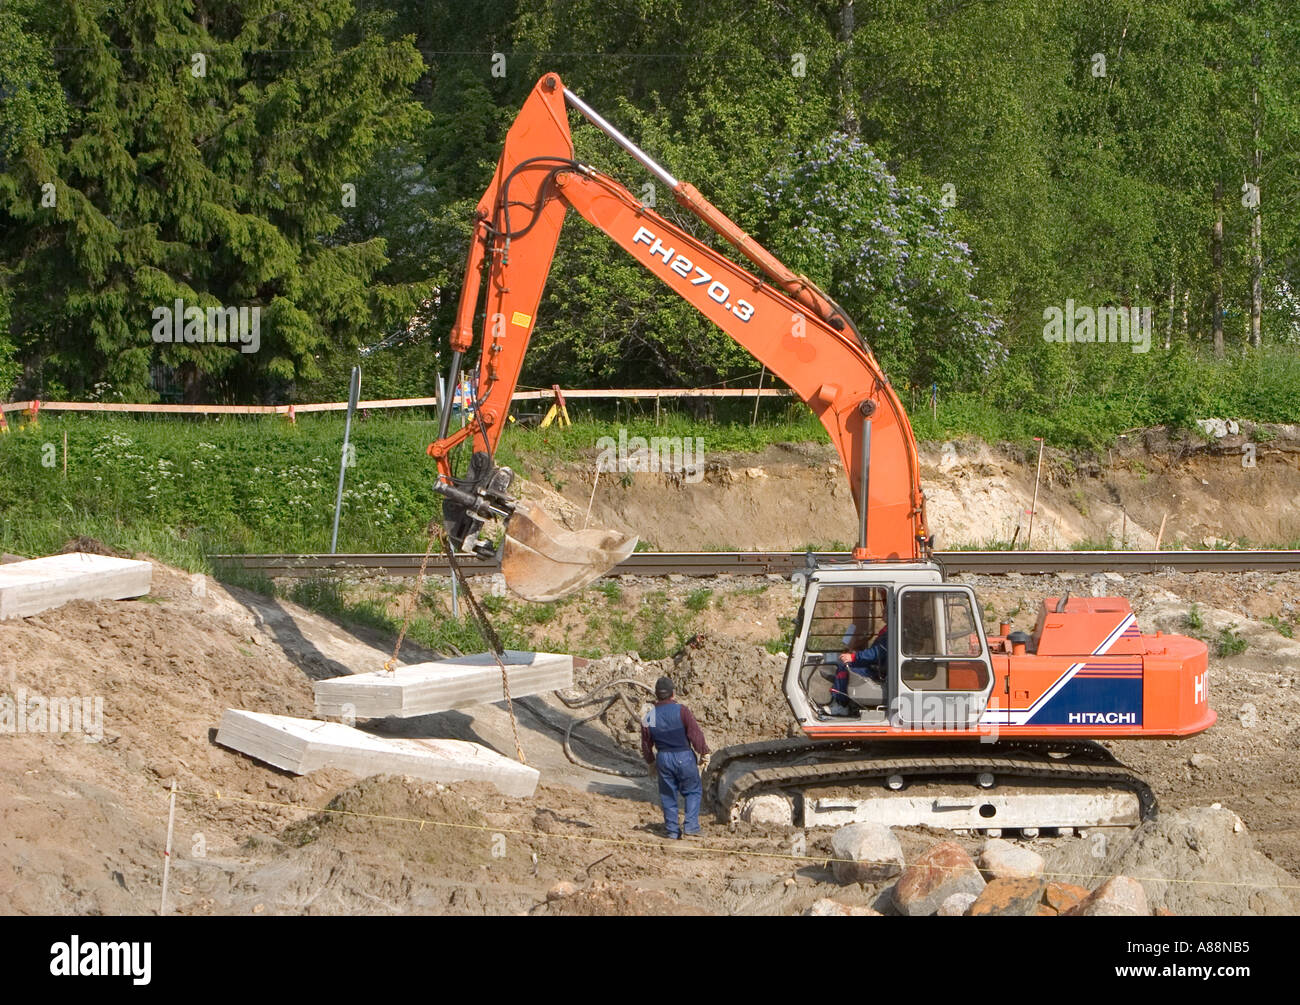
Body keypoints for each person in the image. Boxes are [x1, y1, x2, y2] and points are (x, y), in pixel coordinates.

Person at [640, 676, 709, 839]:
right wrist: (704, 752)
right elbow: (695, 733)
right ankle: (691, 826)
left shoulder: (649, 715)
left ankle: (672, 830)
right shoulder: (682, 710)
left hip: (663, 757)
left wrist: (651, 762)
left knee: (667, 795)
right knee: (692, 791)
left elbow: (645, 744)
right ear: (673, 693)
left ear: (656, 695)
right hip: (684, 756)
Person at [826, 623, 889, 717]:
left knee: (845, 667)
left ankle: (841, 704)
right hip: (877, 666)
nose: (883, 612)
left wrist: (854, 657)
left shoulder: (890, 631)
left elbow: (875, 653)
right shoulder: (888, 629)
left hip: (878, 671)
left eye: (886, 610)